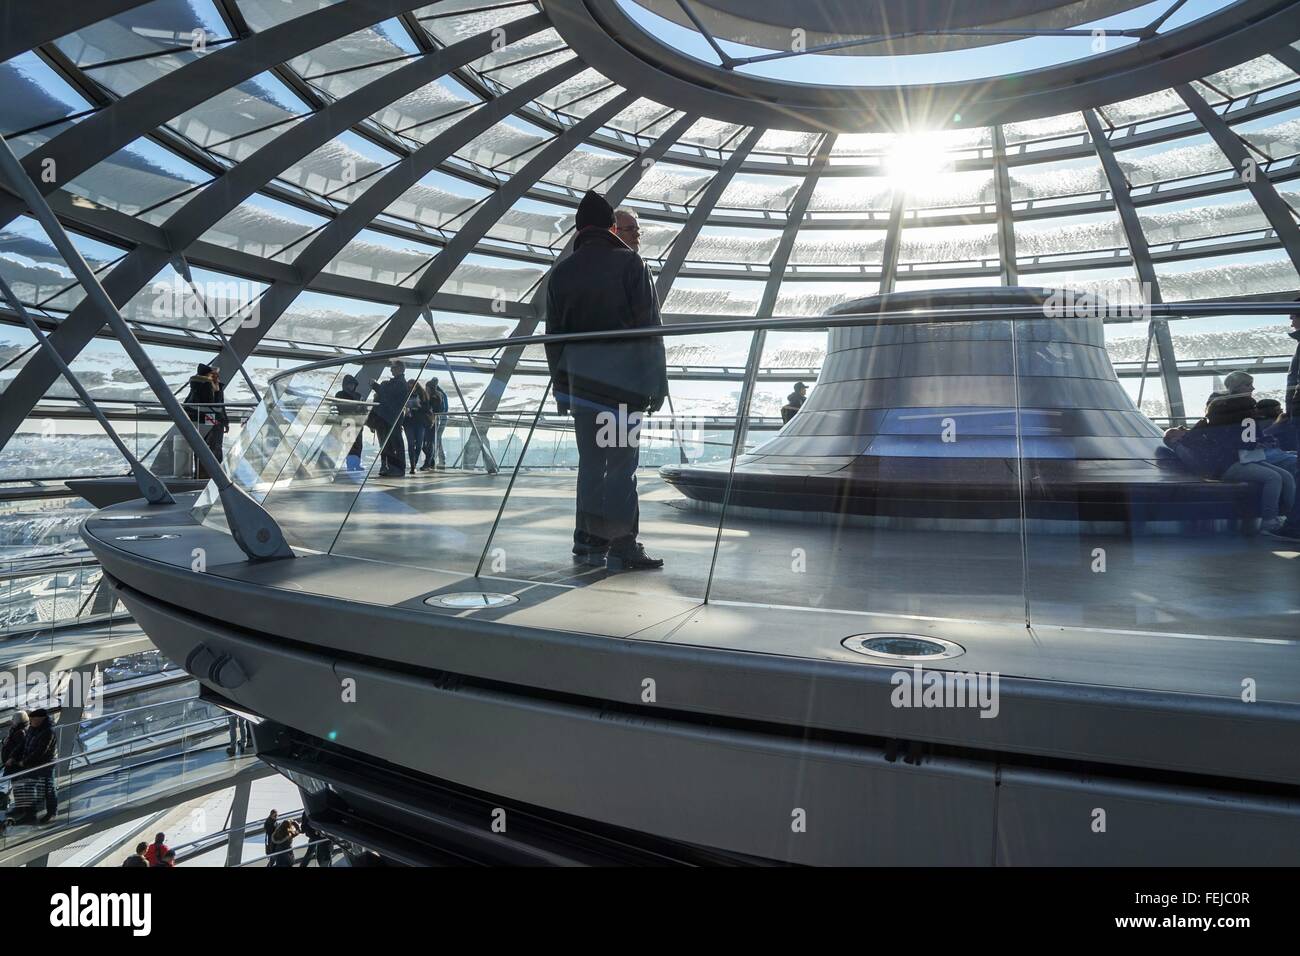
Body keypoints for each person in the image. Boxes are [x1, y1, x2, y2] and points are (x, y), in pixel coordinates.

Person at [545, 190, 668, 572]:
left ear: (579, 229)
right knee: (620, 466)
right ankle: (622, 545)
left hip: (582, 390)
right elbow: (650, 329)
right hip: (622, 391)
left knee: (590, 464)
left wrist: (562, 389)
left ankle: (587, 541)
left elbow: (555, 340)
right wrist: (656, 385)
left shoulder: (561, 273)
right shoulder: (630, 263)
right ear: (612, 227)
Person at [1166, 377, 1295, 536]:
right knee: (1274, 478)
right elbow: (1199, 457)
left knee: (1286, 477)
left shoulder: (1212, 423)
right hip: (1228, 466)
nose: (1252, 388)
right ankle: (1270, 521)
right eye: (1247, 384)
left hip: (1241, 460)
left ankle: (1290, 520)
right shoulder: (1189, 440)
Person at [12, 707, 57, 824]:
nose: (30, 722)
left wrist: (24, 762)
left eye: (32, 719)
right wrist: (13, 756)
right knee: (26, 785)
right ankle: (30, 813)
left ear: (40, 719)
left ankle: (51, 813)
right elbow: (23, 744)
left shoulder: (48, 731)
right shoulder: (33, 728)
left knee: (48, 789)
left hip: (45, 765)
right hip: (33, 764)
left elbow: (40, 751)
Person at [370, 361, 410, 478]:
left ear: (399, 369)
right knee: (391, 444)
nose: (391, 370)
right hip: (390, 417)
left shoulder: (400, 384)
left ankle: (397, 469)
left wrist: (376, 386)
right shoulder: (399, 383)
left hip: (392, 418)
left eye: (392, 368)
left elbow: (388, 395)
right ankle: (393, 468)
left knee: (395, 444)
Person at [0, 711, 28, 828]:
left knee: (18, 786)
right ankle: (19, 807)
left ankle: (21, 809)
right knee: (15, 786)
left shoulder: (21, 732)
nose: (12, 721)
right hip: (10, 765)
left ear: (18, 721)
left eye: (14, 719)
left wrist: (12, 759)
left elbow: (20, 749)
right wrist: (4, 741)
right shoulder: (15, 730)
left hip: (15, 766)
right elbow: (10, 743)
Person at [333, 373, 365, 471]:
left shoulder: (358, 395)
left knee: (358, 445)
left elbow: (363, 409)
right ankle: (351, 465)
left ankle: (357, 464)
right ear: (345, 385)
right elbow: (341, 408)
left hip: (357, 423)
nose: (351, 386)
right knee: (350, 445)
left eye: (352, 384)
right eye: (349, 384)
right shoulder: (340, 394)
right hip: (347, 423)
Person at [420, 377, 449, 470]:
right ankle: (433, 461)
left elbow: (441, 409)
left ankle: (431, 461)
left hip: (435, 420)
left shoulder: (438, 395)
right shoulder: (440, 393)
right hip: (434, 420)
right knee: (434, 441)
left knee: (433, 441)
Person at [403, 380, 430, 475]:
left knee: (419, 445)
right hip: (408, 422)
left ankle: (415, 461)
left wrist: (419, 406)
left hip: (420, 422)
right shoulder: (405, 395)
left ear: (416, 386)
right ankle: (413, 466)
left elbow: (427, 408)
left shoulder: (423, 395)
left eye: (412, 386)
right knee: (410, 444)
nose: (411, 388)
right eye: (409, 387)